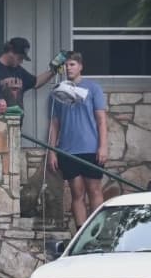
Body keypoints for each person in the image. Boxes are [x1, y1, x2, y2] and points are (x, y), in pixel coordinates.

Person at [46, 52, 107, 228]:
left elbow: (101, 120)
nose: (68, 68)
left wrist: (103, 147)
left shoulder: (93, 88)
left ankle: (97, 231)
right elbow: (54, 124)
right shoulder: (57, 92)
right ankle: (81, 234)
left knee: (94, 190)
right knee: (76, 193)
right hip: (68, 149)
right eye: (66, 65)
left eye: (72, 64)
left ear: (80, 66)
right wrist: (52, 152)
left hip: (90, 148)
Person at [0, 37, 57, 119]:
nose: (21, 62)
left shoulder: (19, 71)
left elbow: (36, 82)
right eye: (20, 58)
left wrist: (53, 70)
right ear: (10, 52)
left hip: (15, 126)